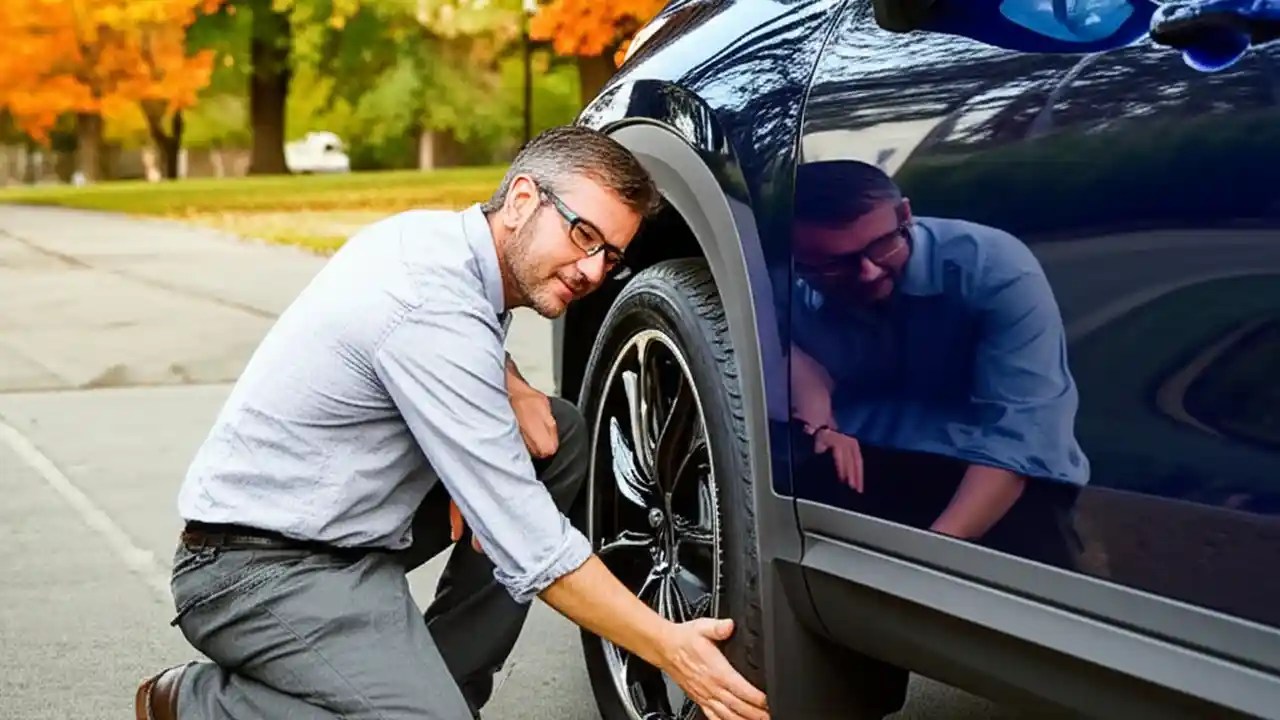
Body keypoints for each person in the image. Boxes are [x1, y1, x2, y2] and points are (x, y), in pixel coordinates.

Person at [135, 125, 770, 720]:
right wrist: (668, 646)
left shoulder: (436, 242)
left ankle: (441, 685)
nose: (594, 270)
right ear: (522, 199)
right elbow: (532, 545)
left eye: (611, 255)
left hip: (347, 531)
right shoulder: (426, 301)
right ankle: (198, 702)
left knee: (560, 435)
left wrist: (509, 381)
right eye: (583, 235)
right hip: (255, 571)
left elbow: (460, 347)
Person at [786, 159, 1088, 565]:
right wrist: (821, 420)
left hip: (984, 469)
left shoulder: (995, 268)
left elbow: (1018, 431)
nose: (869, 271)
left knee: (1034, 573)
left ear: (905, 215)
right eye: (837, 264)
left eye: (881, 246)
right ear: (798, 258)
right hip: (859, 451)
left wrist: (934, 552)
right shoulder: (784, 275)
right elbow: (784, 348)